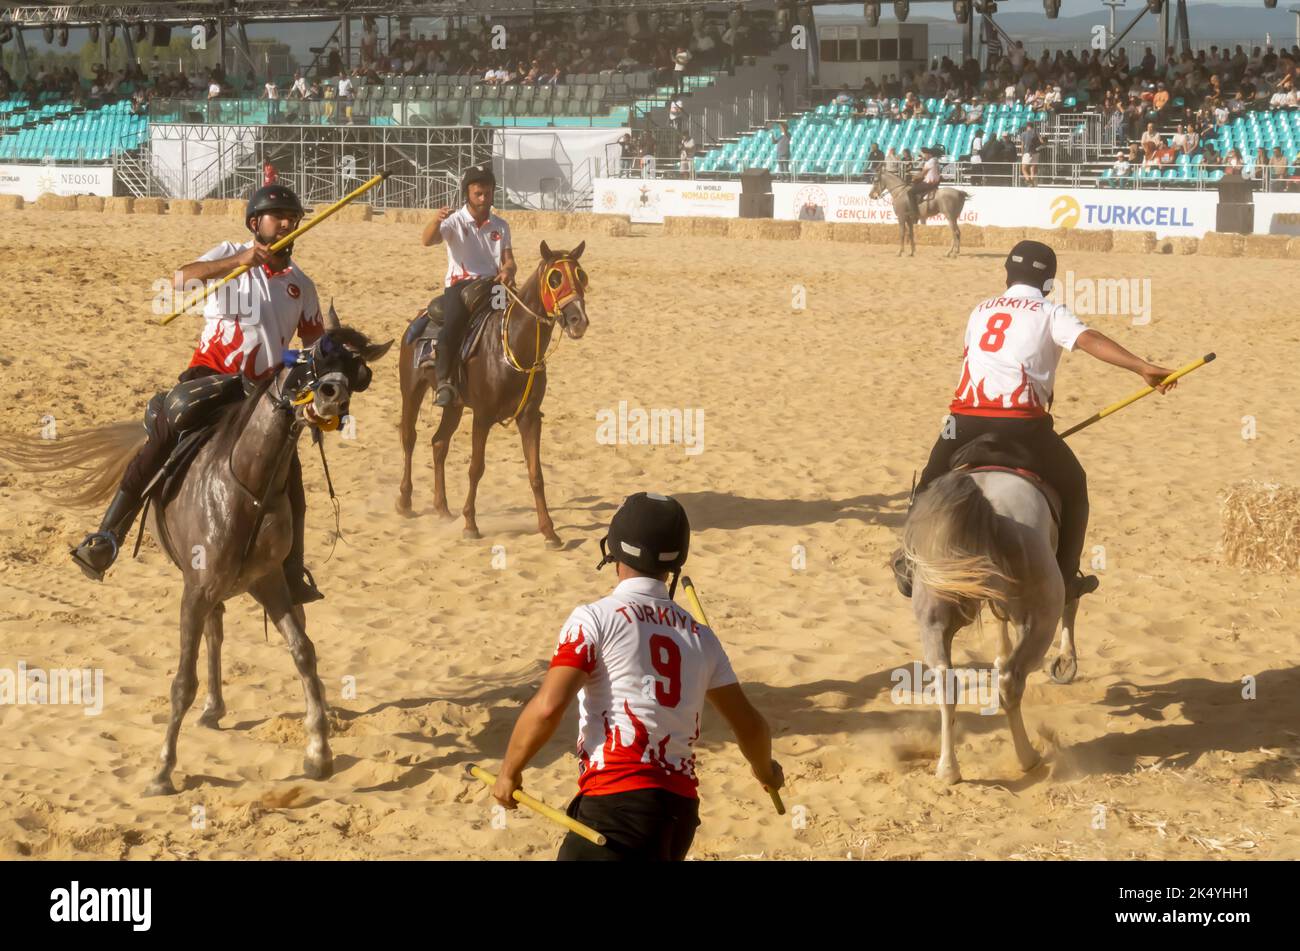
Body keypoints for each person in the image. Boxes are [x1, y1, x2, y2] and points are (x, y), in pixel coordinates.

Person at [70, 185, 328, 605]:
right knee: (169, 427)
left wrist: (306, 373)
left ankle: (293, 568)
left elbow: (313, 347)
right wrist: (239, 261)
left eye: (291, 216)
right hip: (212, 375)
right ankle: (107, 537)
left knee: (291, 474)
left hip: (263, 394)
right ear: (254, 224)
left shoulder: (302, 285)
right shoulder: (229, 253)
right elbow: (178, 280)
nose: (285, 223)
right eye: (276, 215)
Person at [491, 492, 783, 861]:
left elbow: (549, 707)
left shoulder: (595, 618)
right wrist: (766, 771)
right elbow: (750, 726)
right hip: (678, 815)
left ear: (612, 551)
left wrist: (509, 772)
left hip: (616, 806)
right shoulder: (700, 635)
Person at [890, 241, 1176, 602]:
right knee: (1075, 485)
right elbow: (1088, 340)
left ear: (1007, 274)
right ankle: (1067, 576)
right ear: (1048, 283)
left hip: (961, 421)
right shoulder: (1050, 311)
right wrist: (1143, 367)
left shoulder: (980, 310)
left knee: (929, 481)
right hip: (1022, 425)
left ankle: (909, 559)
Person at [420, 165, 516, 407]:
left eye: (487, 193)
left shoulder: (501, 225)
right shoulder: (454, 221)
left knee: (513, 322)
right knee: (452, 326)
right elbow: (427, 240)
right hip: (460, 286)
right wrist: (434, 220)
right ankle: (444, 381)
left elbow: (509, 261)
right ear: (467, 194)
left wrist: (507, 271)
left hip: (493, 286)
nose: (484, 199)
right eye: (478, 194)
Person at [908, 145, 941, 220]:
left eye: (925, 154)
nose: (924, 156)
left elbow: (922, 174)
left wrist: (913, 178)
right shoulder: (935, 160)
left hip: (929, 183)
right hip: (935, 182)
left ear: (929, 154)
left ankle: (914, 213)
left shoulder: (930, 162)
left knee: (910, 192)